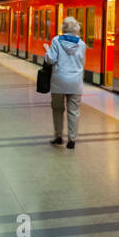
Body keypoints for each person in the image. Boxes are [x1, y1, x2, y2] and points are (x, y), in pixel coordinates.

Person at [46, 16, 87, 149]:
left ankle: (58, 136)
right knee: (73, 111)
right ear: (76, 28)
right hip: (75, 82)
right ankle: (72, 140)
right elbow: (82, 62)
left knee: (57, 109)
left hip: (59, 81)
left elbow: (50, 59)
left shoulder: (56, 40)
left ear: (63, 28)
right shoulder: (81, 44)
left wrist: (47, 51)